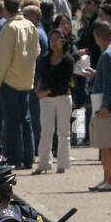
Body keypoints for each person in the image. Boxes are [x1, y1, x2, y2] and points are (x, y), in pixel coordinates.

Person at [0, 0, 40, 168]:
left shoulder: (9, 28)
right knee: (25, 121)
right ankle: (28, 158)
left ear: (6, 8)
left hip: (10, 80)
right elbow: (37, 51)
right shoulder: (30, 26)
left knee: (12, 123)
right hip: (26, 80)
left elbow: (2, 58)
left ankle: (14, 159)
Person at [88, 20, 111, 191]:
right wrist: (96, 74)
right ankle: (106, 179)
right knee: (106, 144)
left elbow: (109, 83)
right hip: (109, 101)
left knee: (109, 145)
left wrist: (104, 105)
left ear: (97, 36)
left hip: (106, 103)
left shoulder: (107, 55)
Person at [34, 28, 74, 174]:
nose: (54, 42)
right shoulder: (44, 59)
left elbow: (64, 81)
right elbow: (40, 77)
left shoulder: (68, 60)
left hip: (62, 97)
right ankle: (43, 163)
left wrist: (47, 91)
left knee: (63, 132)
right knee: (46, 131)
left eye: (57, 39)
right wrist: (38, 90)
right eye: (52, 39)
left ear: (63, 42)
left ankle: (62, 164)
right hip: (46, 99)